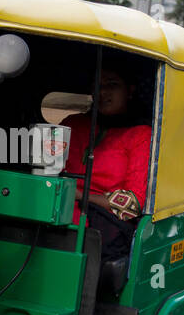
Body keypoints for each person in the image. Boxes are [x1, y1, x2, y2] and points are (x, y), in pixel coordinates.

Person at [62, 67, 152, 263]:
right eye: (97, 86)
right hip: (57, 218)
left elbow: (131, 205)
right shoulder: (73, 124)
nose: (102, 93)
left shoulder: (139, 134)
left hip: (99, 232)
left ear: (130, 90)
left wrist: (80, 195)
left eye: (112, 85)